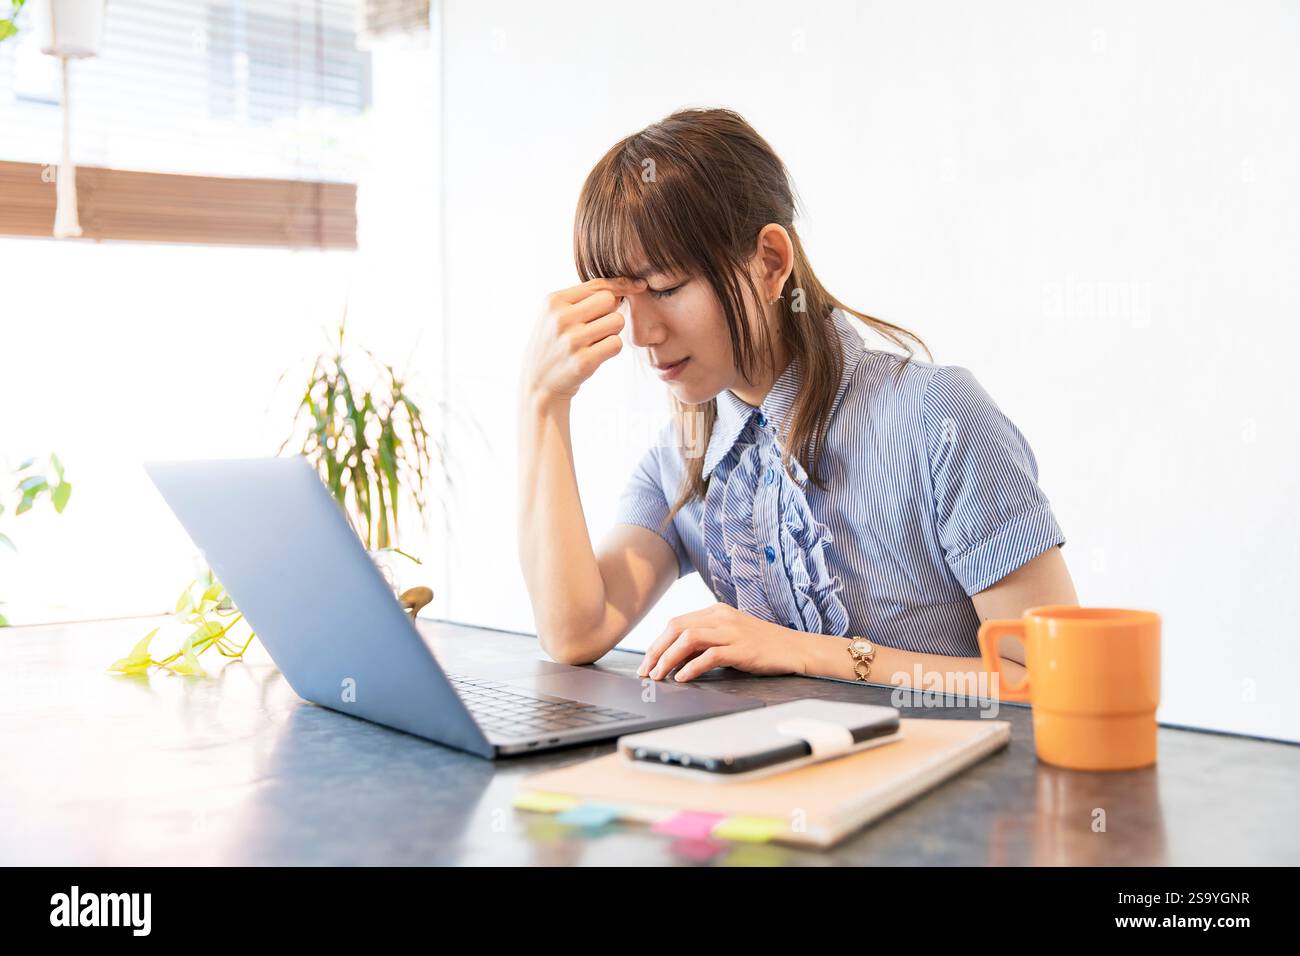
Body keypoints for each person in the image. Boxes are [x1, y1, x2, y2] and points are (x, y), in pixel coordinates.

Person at [517, 108, 1077, 693]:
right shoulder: (682, 459)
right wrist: (540, 402)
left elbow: (1051, 678)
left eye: (665, 288)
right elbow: (574, 631)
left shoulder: (939, 420)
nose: (641, 333)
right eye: (622, 301)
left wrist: (808, 653)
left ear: (769, 262)